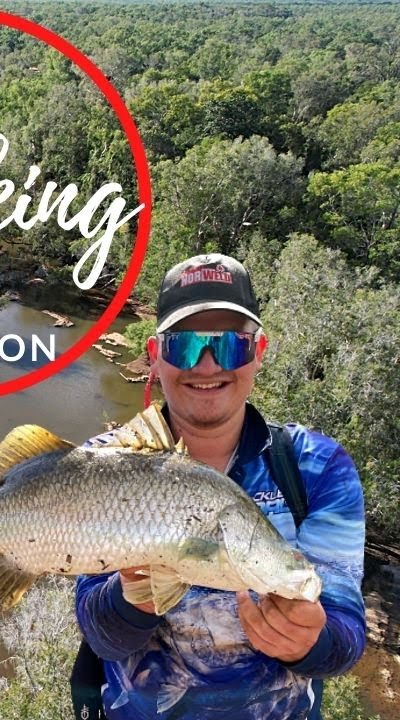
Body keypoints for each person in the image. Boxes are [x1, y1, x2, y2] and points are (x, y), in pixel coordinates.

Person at [74, 255, 367, 719]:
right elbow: (102, 639)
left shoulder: (317, 466)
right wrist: (132, 598)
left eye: (230, 345)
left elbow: (346, 636)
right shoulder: (99, 466)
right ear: (155, 355)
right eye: (184, 345)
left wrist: (311, 643)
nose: (207, 366)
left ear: (258, 351)